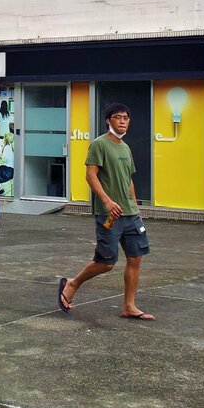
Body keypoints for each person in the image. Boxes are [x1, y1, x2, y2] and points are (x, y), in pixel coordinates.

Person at [58, 103, 154, 321]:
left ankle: (129, 306)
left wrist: (135, 206)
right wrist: (107, 201)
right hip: (109, 214)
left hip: (131, 214)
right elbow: (90, 176)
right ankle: (73, 283)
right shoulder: (99, 145)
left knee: (136, 258)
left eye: (126, 118)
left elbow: (128, 179)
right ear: (108, 120)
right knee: (106, 262)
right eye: (118, 117)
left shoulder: (125, 148)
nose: (122, 121)